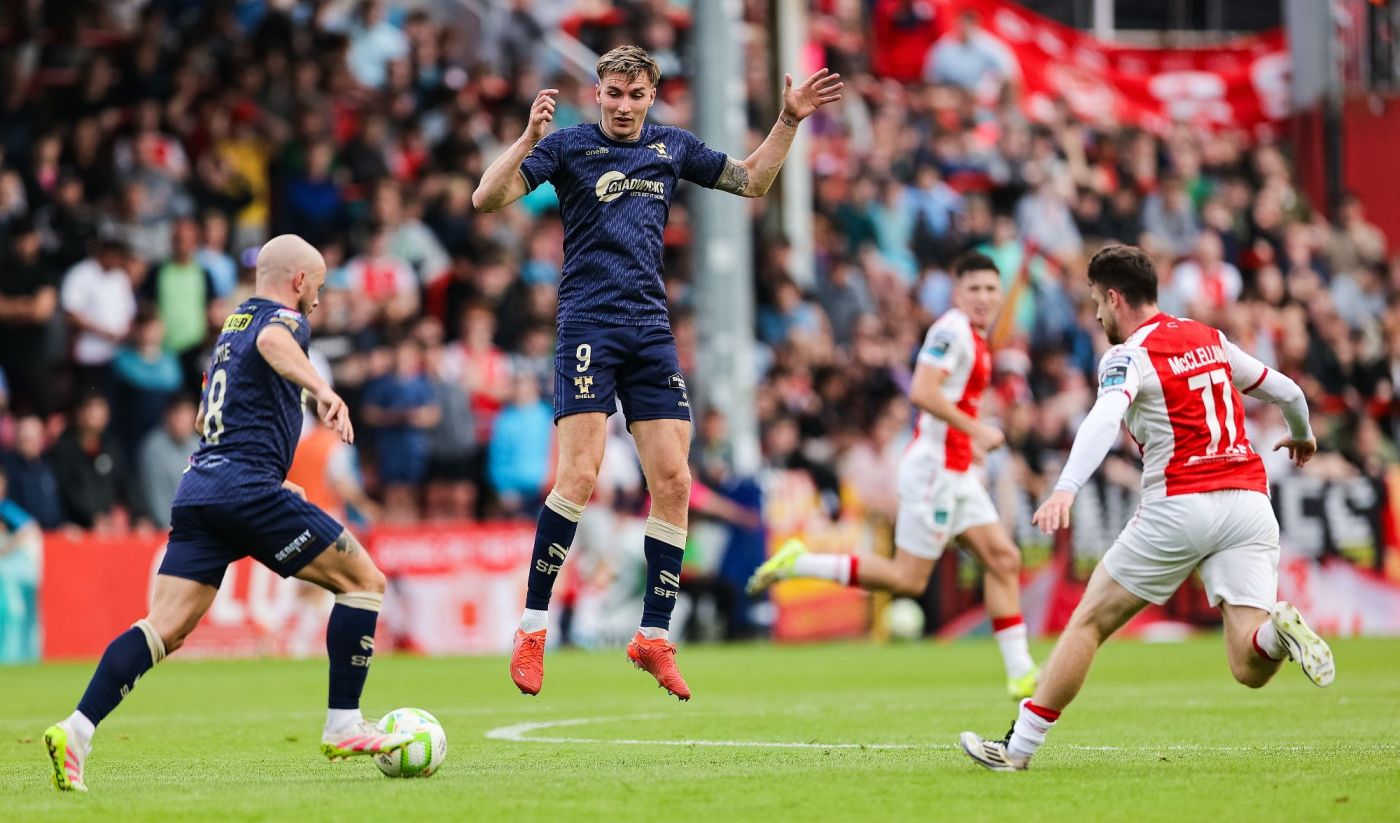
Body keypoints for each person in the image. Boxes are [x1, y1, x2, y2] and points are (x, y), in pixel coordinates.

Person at [472, 45, 842, 700]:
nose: (622, 105)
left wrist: (788, 120)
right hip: (587, 325)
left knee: (673, 478)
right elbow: (486, 197)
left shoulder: (672, 148)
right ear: (598, 93)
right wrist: (527, 137)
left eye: (634, 95)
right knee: (580, 474)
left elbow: (751, 181)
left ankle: (652, 635)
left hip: (649, 332)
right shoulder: (568, 148)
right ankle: (533, 627)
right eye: (612, 93)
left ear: (651, 97)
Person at [43, 234, 413, 793]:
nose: (318, 298)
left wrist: (262, 463)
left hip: (201, 490)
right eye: (317, 286)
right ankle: (343, 724)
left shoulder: (230, 326)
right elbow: (275, 341)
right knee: (364, 581)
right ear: (297, 282)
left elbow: (201, 420)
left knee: (164, 628)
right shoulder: (279, 322)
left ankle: (77, 729)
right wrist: (321, 390)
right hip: (245, 490)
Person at [959, 244, 1334, 772]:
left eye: (1095, 301)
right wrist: (1303, 437)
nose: (1094, 314)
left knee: (1087, 623)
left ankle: (1016, 751)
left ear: (1114, 297)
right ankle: (1281, 629)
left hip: (1180, 504)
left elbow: (1103, 417)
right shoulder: (1211, 338)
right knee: (1249, 664)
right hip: (1249, 504)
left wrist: (1066, 486)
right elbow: (1289, 392)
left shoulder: (1128, 355)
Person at [747, 252, 1039, 700]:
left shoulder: (977, 338)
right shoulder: (950, 331)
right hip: (934, 472)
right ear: (957, 292)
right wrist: (976, 429)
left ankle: (1022, 674)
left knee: (1003, 559)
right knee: (907, 579)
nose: (983, 297)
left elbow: (954, 401)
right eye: (974, 289)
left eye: (990, 289)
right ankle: (799, 562)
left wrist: (971, 442)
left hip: (958, 469)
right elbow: (922, 392)